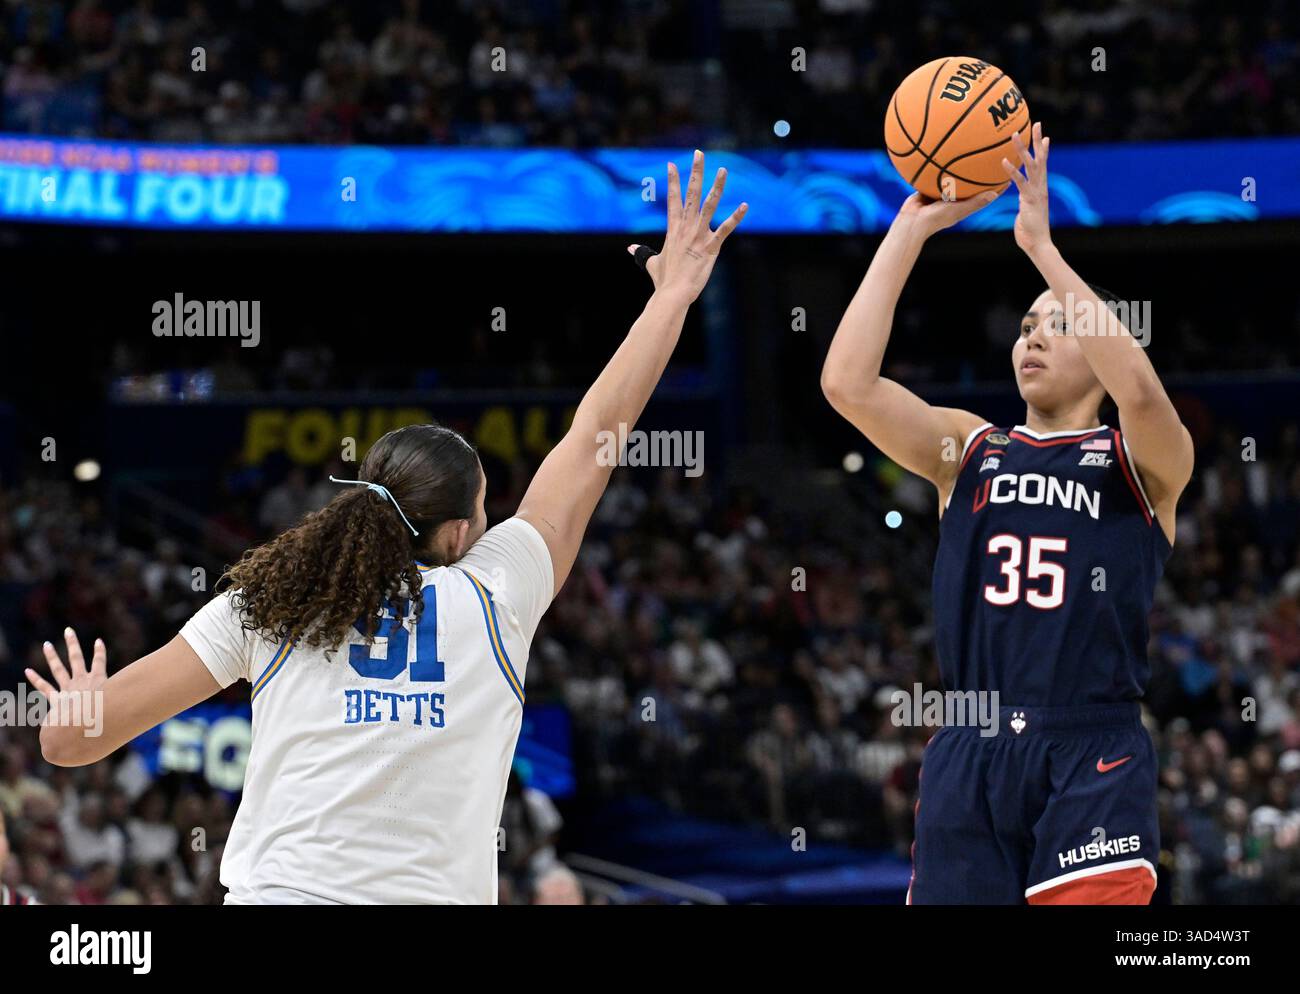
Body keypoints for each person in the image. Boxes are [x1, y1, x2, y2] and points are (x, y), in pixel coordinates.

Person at [29, 151, 747, 905]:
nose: (493, 520)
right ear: (455, 536)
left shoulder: (272, 600)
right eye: (482, 509)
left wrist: (82, 705)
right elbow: (599, 430)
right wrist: (672, 296)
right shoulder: (497, 593)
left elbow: (67, 744)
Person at [821, 123, 1194, 904]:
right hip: (972, 746)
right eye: (1026, 326)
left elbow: (1145, 394)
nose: (1033, 337)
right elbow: (847, 384)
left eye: (1056, 325)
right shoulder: (971, 449)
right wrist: (908, 228)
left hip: (1092, 747)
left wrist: (1044, 253)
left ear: (1099, 346)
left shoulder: (1143, 464)